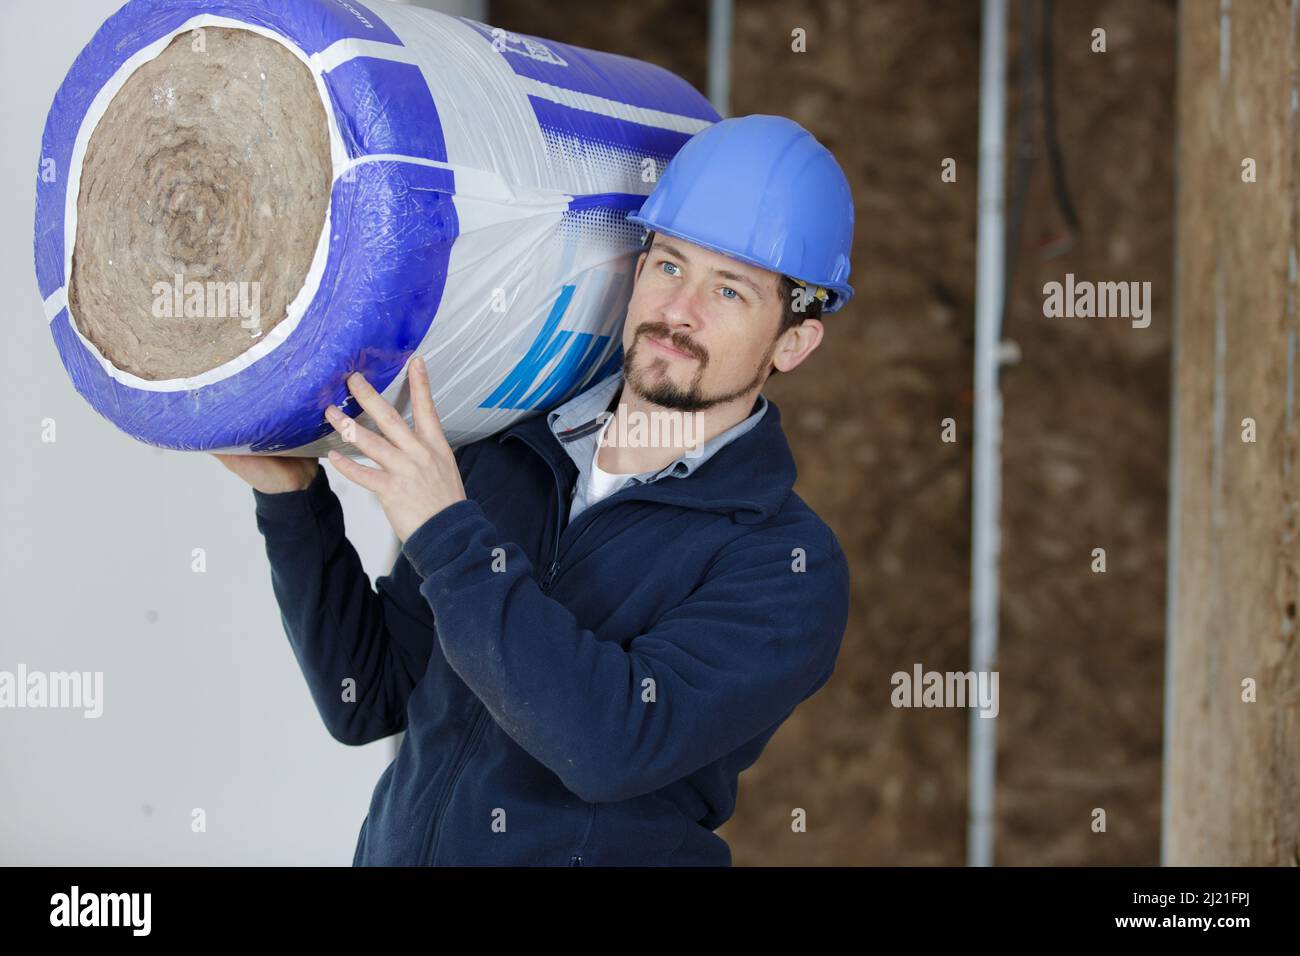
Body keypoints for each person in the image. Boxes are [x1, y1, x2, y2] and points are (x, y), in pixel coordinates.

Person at [215, 114, 855, 866]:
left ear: (794, 340)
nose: (678, 311)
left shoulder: (785, 567)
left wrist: (447, 531)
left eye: (730, 291)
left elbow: (611, 744)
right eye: (670, 265)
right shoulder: (512, 451)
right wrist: (292, 502)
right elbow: (370, 696)